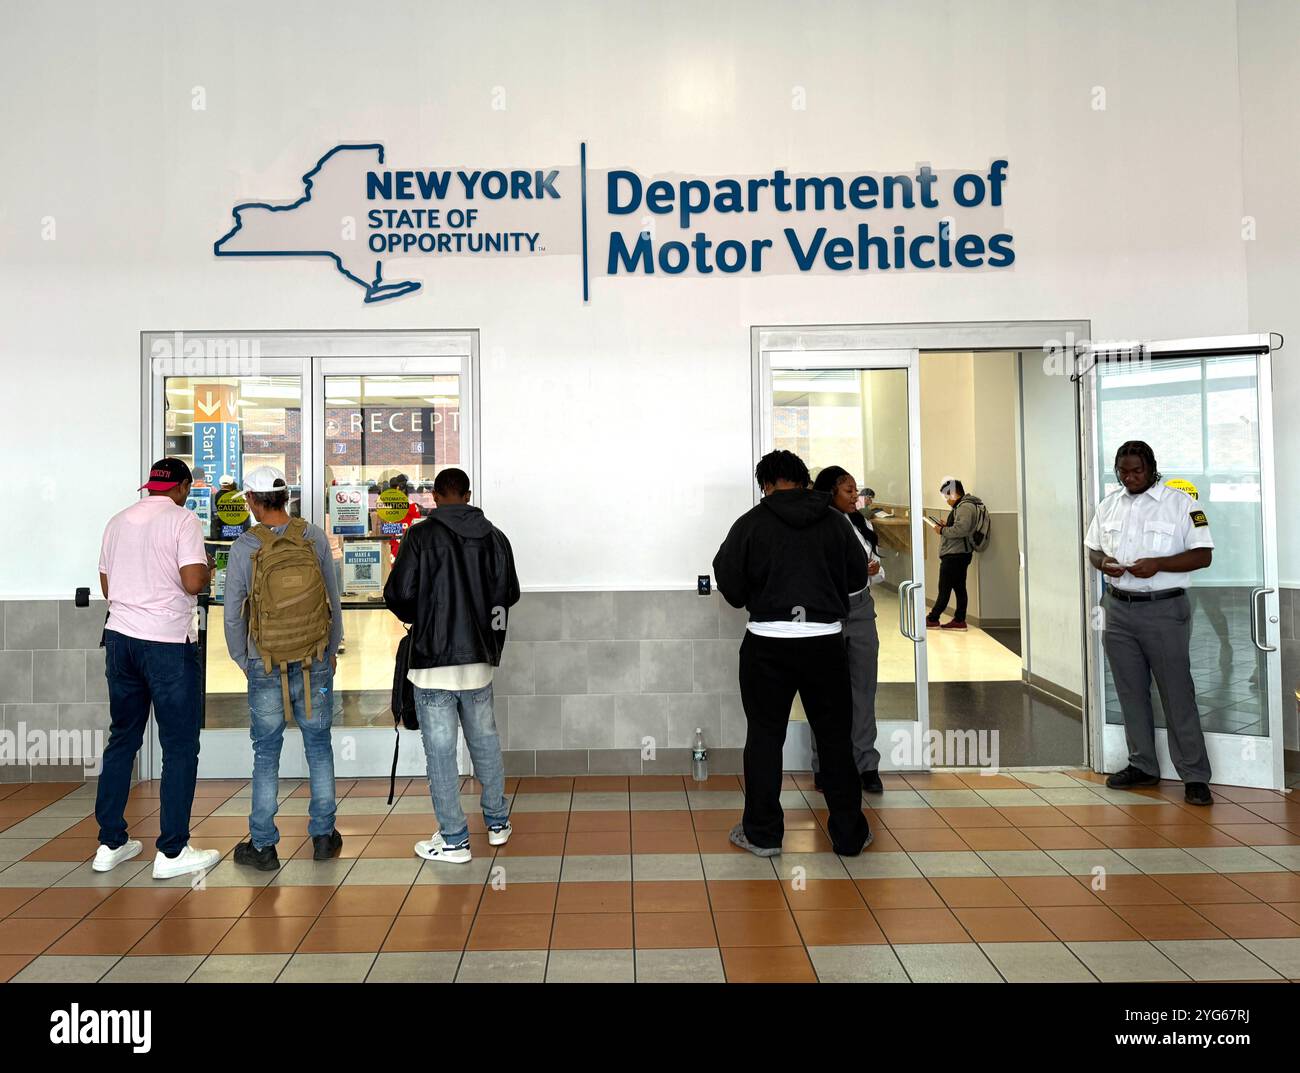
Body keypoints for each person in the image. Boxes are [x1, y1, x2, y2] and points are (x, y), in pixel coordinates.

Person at [712, 450, 872, 858]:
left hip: (766, 644)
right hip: (824, 644)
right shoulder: (836, 523)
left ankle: (763, 835)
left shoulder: (751, 523)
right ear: (803, 480)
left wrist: (761, 597)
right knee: (835, 738)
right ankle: (849, 835)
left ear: (765, 485)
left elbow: (729, 583)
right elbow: (857, 576)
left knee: (765, 737)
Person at [93, 458, 222, 880]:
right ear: (182, 487)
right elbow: (192, 582)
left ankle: (110, 843)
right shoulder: (182, 520)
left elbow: (108, 586)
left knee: (123, 738)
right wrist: (208, 569)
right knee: (180, 745)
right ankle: (171, 851)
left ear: (150, 486)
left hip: (119, 640)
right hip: (166, 643)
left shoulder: (117, 521)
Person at [383, 467, 520, 864]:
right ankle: (497, 823)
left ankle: (455, 840)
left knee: (441, 752)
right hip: (478, 661)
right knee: (485, 741)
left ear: (436, 496)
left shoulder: (420, 536)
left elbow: (398, 594)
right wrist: (486, 632)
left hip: (432, 663)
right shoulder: (495, 538)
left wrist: (423, 618)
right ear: (468, 494)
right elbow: (507, 594)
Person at [222, 466, 344, 869]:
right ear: (285, 497)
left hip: (265, 661)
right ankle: (323, 836)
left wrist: (243, 657)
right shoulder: (313, 537)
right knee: (319, 744)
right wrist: (329, 650)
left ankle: (263, 845)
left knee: (266, 750)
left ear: (254, 501)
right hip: (314, 659)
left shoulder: (245, 547)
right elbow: (332, 596)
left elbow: (234, 613)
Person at [1085, 441, 1215, 806]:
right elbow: (1092, 548)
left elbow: (1203, 555)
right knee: (1129, 690)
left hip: (1164, 610)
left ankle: (1194, 775)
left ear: (1152, 468)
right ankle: (1143, 765)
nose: (1129, 478)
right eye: (1123, 472)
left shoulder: (1181, 505)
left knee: (1176, 692)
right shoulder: (1109, 504)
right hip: (1117, 607)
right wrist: (1102, 562)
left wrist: (1158, 564)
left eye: (1136, 471)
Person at [809, 466, 885, 794]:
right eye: (848, 491)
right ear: (831, 493)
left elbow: (877, 569)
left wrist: (873, 569)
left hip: (862, 608)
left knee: (864, 689)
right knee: (827, 694)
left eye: (856, 490)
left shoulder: (862, 523)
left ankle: (866, 764)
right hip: (831, 612)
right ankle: (824, 766)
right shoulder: (817, 525)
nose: (856, 496)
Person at [926, 477, 979, 631]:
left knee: (945, 588)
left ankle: (933, 618)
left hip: (955, 555)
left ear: (954, 493)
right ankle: (959, 620)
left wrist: (942, 530)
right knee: (959, 587)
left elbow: (961, 530)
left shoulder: (964, 507)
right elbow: (960, 527)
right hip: (959, 554)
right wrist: (946, 525)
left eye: (947, 496)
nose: (946, 500)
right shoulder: (963, 506)